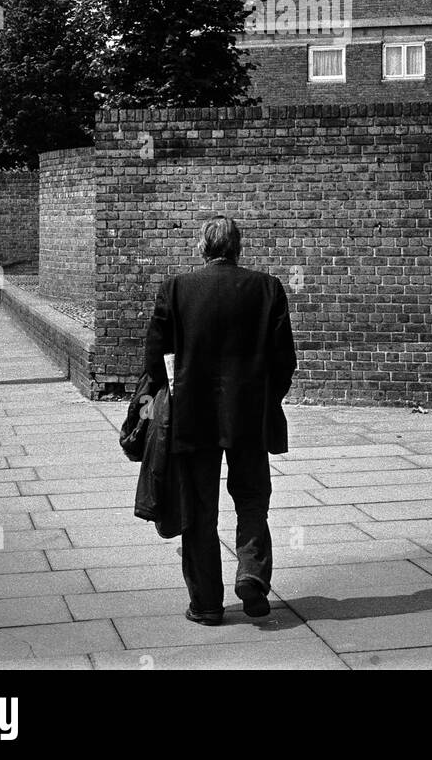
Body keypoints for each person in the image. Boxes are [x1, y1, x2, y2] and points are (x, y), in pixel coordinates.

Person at [145, 215, 297, 626]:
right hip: (249, 414)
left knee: (198, 510)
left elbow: (155, 360)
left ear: (202, 247)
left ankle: (207, 603)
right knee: (252, 498)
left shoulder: (176, 289)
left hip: (191, 416)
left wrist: (163, 400)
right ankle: (251, 573)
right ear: (238, 247)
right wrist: (268, 400)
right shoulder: (267, 288)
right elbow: (285, 361)